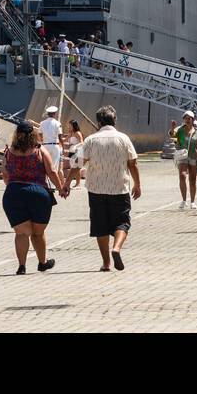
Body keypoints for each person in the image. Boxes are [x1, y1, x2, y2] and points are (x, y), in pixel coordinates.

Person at [63, 105, 139, 272]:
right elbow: (132, 163)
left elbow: (77, 164)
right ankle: (117, 248)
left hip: (96, 190)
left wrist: (66, 183)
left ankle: (106, 263)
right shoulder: (123, 138)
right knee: (122, 222)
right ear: (115, 120)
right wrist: (137, 184)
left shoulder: (91, 140)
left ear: (98, 122)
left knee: (100, 226)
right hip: (119, 188)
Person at [1, 121, 65, 275]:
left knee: (21, 233)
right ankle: (42, 262)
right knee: (37, 232)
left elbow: (5, 173)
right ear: (34, 135)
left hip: (13, 193)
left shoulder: (8, 152)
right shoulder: (39, 150)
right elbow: (51, 171)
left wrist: (13, 185)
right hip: (38, 193)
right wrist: (61, 188)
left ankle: (21, 266)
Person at [169, 110, 197, 210]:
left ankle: (192, 201)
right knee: (182, 175)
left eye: (190, 118)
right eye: (186, 118)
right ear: (183, 119)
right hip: (182, 155)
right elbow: (173, 137)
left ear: (193, 119)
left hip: (194, 155)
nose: (188, 120)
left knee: (192, 178)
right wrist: (172, 128)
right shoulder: (179, 129)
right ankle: (184, 200)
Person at [39, 105, 63, 170]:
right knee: (54, 167)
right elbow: (60, 136)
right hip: (55, 146)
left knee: (44, 166)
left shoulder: (42, 123)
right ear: (54, 114)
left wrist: (42, 141)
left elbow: (40, 134)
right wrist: (62, 146)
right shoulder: (57, 123)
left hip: (45, 146)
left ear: (48, 114)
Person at [62, 119, 84, 184]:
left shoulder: (78, 133)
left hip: (78, 151)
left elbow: (82, 143)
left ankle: (78, 183)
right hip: (71, 151)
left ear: (73, 125)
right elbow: (64, 140)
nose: (68, 127)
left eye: (70, 125)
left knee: (76, 167)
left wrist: (75, 146)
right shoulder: (71, 133)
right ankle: (75, 183)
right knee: (72, 167)